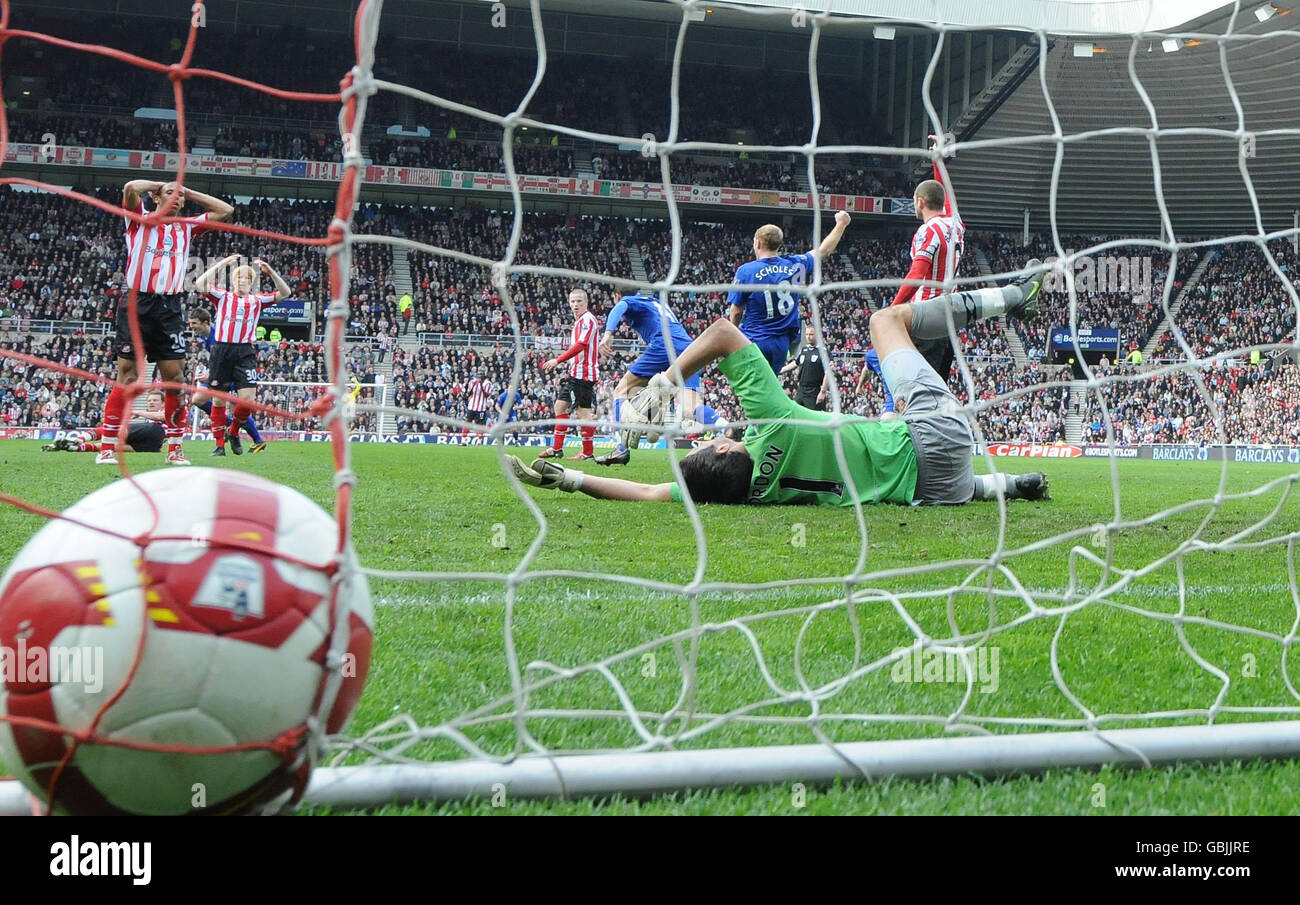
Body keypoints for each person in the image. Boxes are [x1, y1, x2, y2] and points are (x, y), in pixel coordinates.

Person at [507, 261, 1050, 507]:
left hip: (935, 490)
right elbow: (722, 331)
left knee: (942, 483)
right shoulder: (771, 424)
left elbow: (648, 492)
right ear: (721, 442)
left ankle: (1009, 484)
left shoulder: (747, 493)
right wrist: (664, 382)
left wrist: (571, 480)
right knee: (887, 321)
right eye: (703, 442)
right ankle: (1010, 298)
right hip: (932, 434)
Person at [95, 177, 233, 465]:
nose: (178, 198)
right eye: (171, 194)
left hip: (169, 307)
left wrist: (188, 191)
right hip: (136, 303)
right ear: (156, 197)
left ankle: (175, 449)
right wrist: (160, 184)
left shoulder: (187, 227)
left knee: (175, 380)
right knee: (128, 377)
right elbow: (131, 187)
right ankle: (107, 446)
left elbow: (225, 210)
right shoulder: (138, 219)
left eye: (181, 197)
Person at [858, 134, 964, 400]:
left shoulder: (928, 230)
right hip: (949, 318)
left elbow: (916, 274)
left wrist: (893, 308)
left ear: (919, 201)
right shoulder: (954, 223)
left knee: (916, 390)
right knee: (938, 388)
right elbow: (945, 195)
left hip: (926, 318)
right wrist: (938, 161)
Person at [593, 289, 719, 467]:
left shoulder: (630, 301)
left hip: (663, 345)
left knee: (621, 390)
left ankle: (622, 447)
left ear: (616, 295)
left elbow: (621, 306)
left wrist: (607, 335)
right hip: (688, 347)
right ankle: (726, 427)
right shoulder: (656, 303)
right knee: (689, 407)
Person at [728, 211, 852, 373]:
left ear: (757, 243)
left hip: (755, 340)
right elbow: (824, 251)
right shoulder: (795, 265)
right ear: (778, 244)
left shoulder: (746, 271)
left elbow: (736, 311)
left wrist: (733, 336)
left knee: (750, 391)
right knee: (769, 386)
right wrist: (841, 223)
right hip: (781, 345)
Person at [194, 253, 291, 456]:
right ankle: (219, 446)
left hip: (244, 351)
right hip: (222, 350)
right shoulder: (222, 297)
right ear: (233, 281)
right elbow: (200, 284)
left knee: (247, 400)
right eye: (239, 278)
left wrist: (271, 272)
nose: (243, 281)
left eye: (247, 279)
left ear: (252, 283)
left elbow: (285, 292)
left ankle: (234, 432)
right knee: (219, 401)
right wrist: (222, 264)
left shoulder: (257, 301)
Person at [188, 307, 268, 453]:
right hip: (219, 372)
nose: (191, 327)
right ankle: (241, 432)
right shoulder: (205, 336)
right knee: (198, 399)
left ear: (205, 322)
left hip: (230, 372)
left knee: (234, 406)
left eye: (194, 323)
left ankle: (252, 438)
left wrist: (211, 374)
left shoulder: (218, 335)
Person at [539, 288, 600, 460]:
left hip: (583, 374)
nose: (576, 304)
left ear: (586, 302)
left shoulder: (588, 320)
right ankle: (557, 449)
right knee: (560, 407)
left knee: (583, 413)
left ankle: (587, 453)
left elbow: (581, 345)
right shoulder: (579, 322)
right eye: (573, 301)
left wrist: (557, 360)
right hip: (575, 374)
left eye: (579, 301)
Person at [45, 389, 166, 454]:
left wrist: (136, 412)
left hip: (155, 434)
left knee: (115, 430)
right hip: (151, 444)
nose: (151, 402)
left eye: (155, 400)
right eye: (149, 400)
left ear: (163, 403)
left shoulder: (167, 411)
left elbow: (161, 417)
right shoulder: (147, 416)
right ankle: (75, 447)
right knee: (118, 446)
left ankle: (78, 439)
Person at [780, 323, 832, 411]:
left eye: (811, 334)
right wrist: (780, 370)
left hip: (814, 391)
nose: (808, 337)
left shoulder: (823, 352)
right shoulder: (804, 349)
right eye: (807, 334)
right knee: (795, 413)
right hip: (801, 390)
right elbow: (795, 363)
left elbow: (828, 372)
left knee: (814, 419)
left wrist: (822, 392)